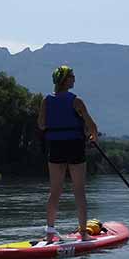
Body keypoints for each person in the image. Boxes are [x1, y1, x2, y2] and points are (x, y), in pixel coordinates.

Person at [37, 65, 100, 243]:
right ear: (65, 80)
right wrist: (93, 137)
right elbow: (92, 126)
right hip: (74, 147)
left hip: (55, 147)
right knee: (79, 191)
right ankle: (84, 233)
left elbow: (41, 125)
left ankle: (50, 233)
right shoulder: (76, 101)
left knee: (55, 191)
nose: (74, 78)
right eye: (72, 76)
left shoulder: (46, 100)